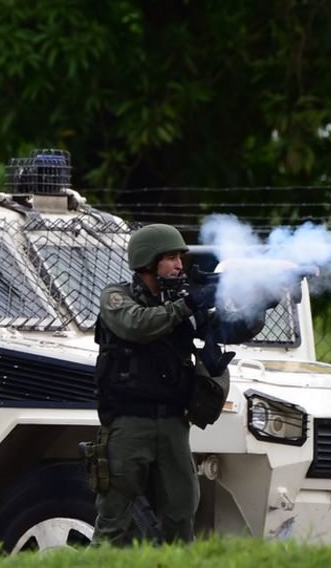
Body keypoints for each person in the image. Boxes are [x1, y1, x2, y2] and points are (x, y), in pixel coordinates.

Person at [91, 223, 216, 545]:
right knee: (114, 520)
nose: (179, 265)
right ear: (148, 261)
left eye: (180, 258)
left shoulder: (184, 300)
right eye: (172, 258)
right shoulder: (117, 296)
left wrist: (253, 306)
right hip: (129, 423)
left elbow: (226, 331)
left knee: (181, 515)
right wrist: (186, 306)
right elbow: (136, 325)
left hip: (174, 422)